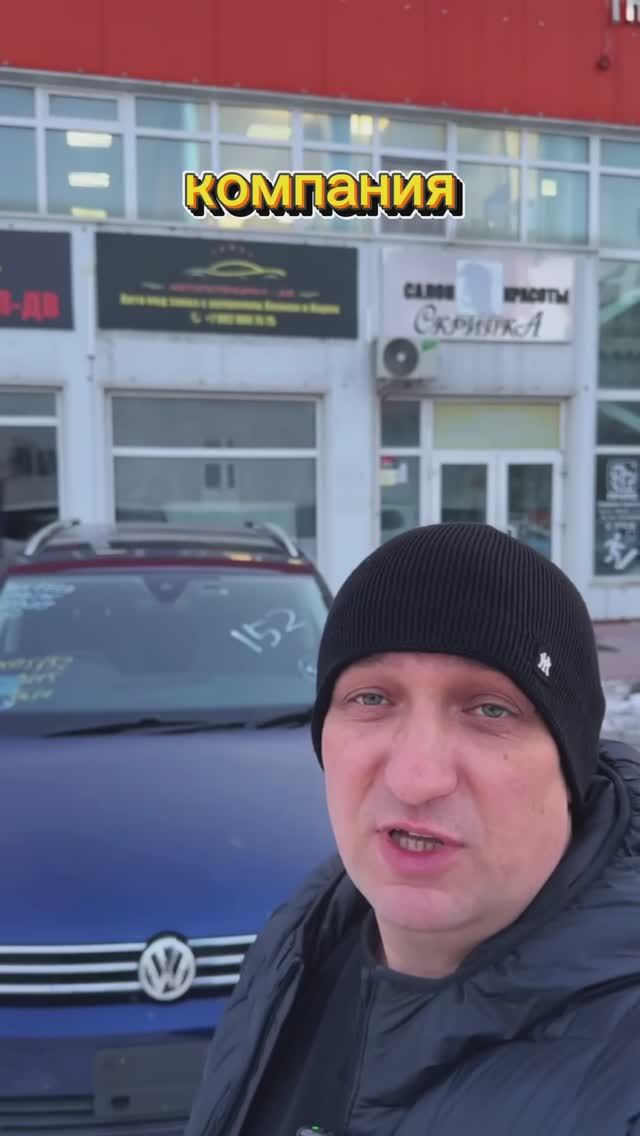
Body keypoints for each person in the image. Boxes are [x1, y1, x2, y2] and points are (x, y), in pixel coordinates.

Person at [185, 523, 640, 1136]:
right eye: (372, 699)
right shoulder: (298, 949)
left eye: (490, 709)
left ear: (570, 767)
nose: (416, 779)